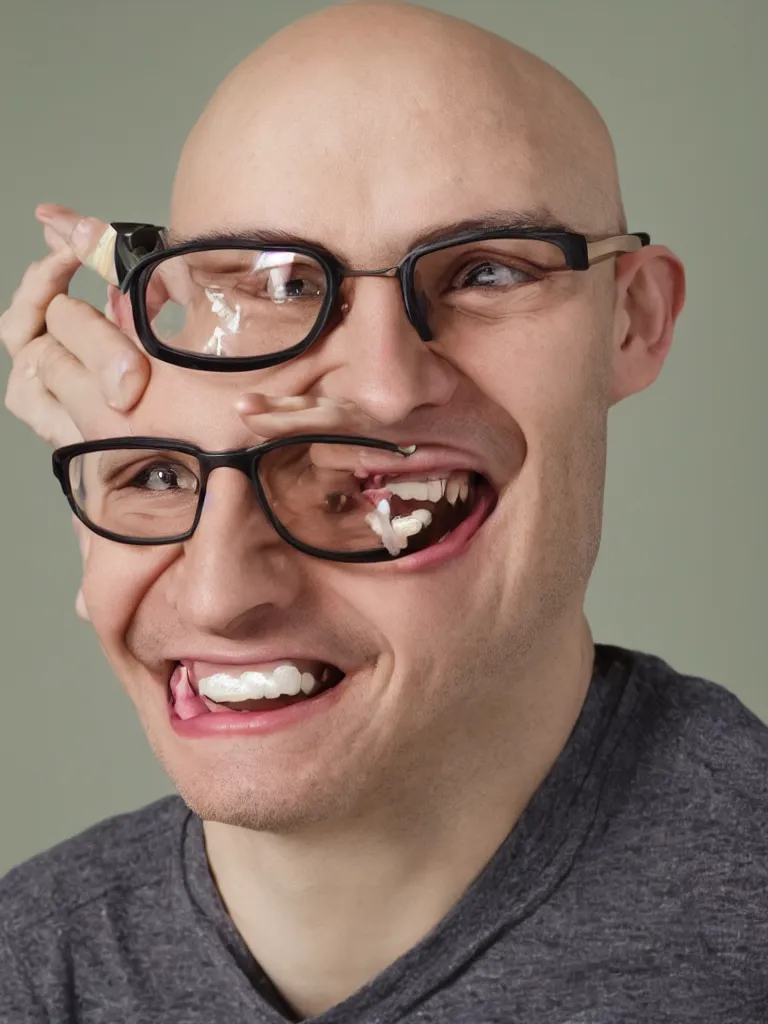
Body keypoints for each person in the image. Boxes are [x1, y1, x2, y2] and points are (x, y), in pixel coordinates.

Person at [1, 3, 766, 1022]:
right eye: (273, 282)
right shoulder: (31, 961)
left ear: (633, 317)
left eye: (490, 270)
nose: (382, 381)